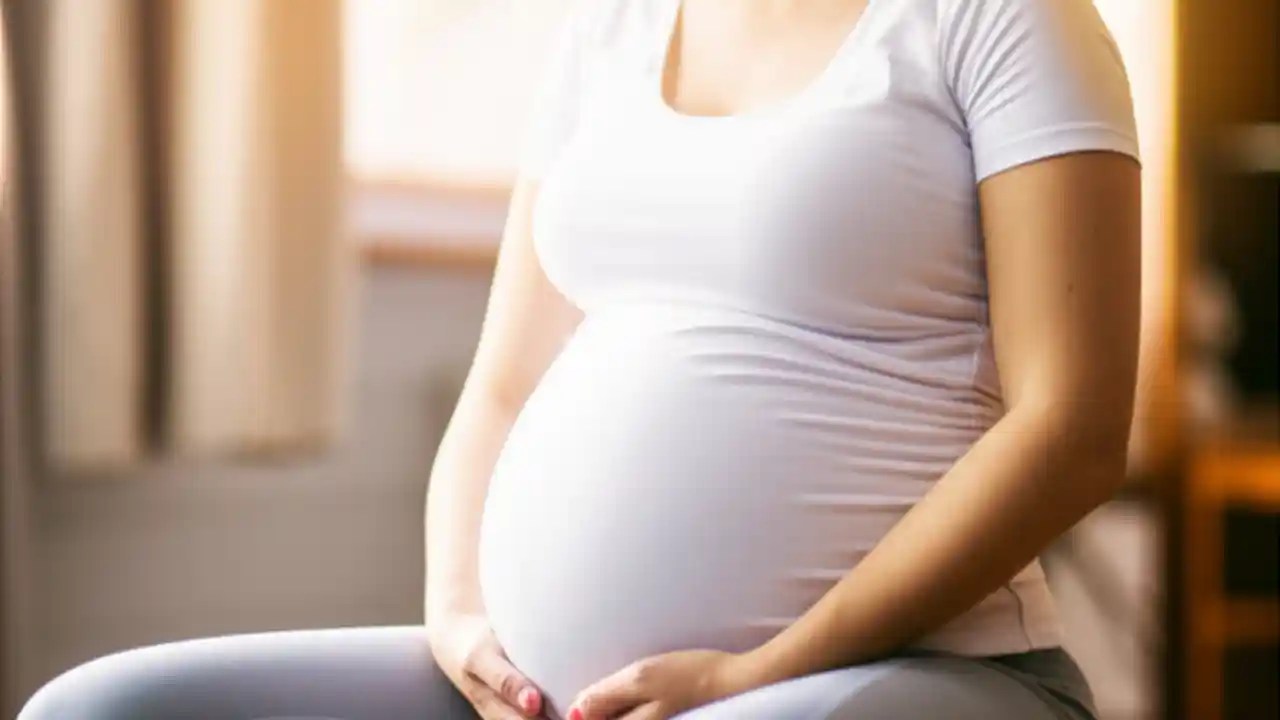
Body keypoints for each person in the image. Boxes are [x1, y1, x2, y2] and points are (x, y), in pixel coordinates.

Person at [19, 1, 1142, 718]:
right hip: (538, 701)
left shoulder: (1005, 20)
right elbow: (502, 383)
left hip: (903, 677)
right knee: (104, 711)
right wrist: (460, 619)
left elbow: (1072, 430)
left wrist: (763, 670)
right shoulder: (608, 28)